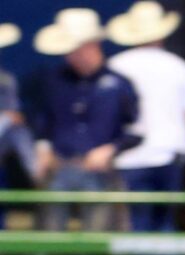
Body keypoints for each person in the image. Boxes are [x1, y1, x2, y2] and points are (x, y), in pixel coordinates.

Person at [106, 2, 185, 255]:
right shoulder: (179, 67)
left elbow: (108, 119)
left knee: (139, 225)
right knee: (165, 223)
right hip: (170, 156)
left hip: (130, 158)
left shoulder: (116, 67)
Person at [31, 8, 141, 238]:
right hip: (59, 166)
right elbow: (42, 120)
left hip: (100, 171)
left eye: (74, 49)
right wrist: (43, 148)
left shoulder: (119, 84)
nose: (69, 56)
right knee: (47, 235)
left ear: (92, 46)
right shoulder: (54, 81)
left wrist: (110, 149)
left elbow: (137, 129)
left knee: (98, 237)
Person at [0, 23, 40, 208]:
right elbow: (12, 115)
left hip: (7, 142)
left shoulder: (6, 78)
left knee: (20, 134)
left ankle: (37, 173)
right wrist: (8, 118)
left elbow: (15, 114)